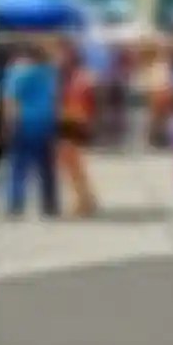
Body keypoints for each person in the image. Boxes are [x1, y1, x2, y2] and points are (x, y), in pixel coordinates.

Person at [2, 41, 60, 217]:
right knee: (46, 167)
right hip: (45, 121)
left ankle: (16, 204)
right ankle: (49, 205)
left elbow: (11, 101)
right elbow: (55, 96)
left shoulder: (17, 73)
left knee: (19, 166)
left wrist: (8, 124)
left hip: (23, 122)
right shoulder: (49, 72)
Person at [57, 41, 98, 216]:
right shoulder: (73, 77)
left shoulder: (79, 78)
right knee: (73, 166)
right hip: (72, 122)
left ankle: (84, 201)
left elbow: (83, 104)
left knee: (73, 165)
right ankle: (86, 199)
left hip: (74, 122)